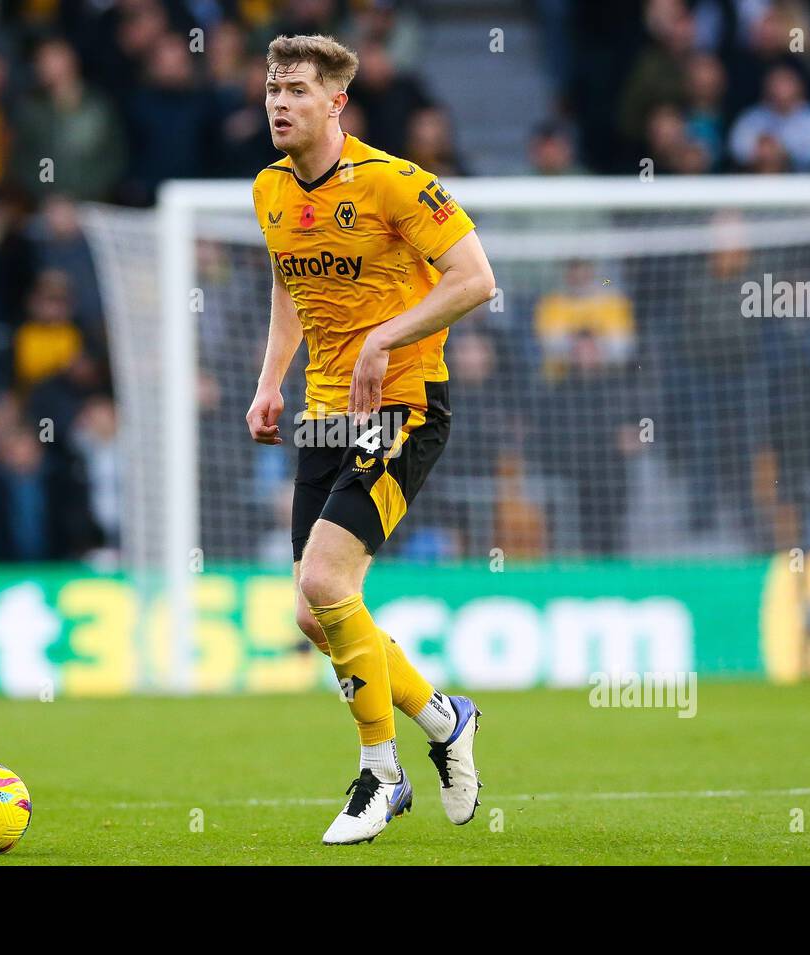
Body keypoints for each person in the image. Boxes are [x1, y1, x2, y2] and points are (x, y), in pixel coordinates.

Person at [246, 34, 496, 845]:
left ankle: (380, 775)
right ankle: (444, 717)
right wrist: (269, 379)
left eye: (295, 91)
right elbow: (292, 285)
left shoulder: (393, 183)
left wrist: (387, 338)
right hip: (324, 412)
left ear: (335, 103)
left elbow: (475, 278)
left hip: (403, 404)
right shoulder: (270, 191)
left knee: (325, 576)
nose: (279, 103)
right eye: (272, 90)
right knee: (317, 616)